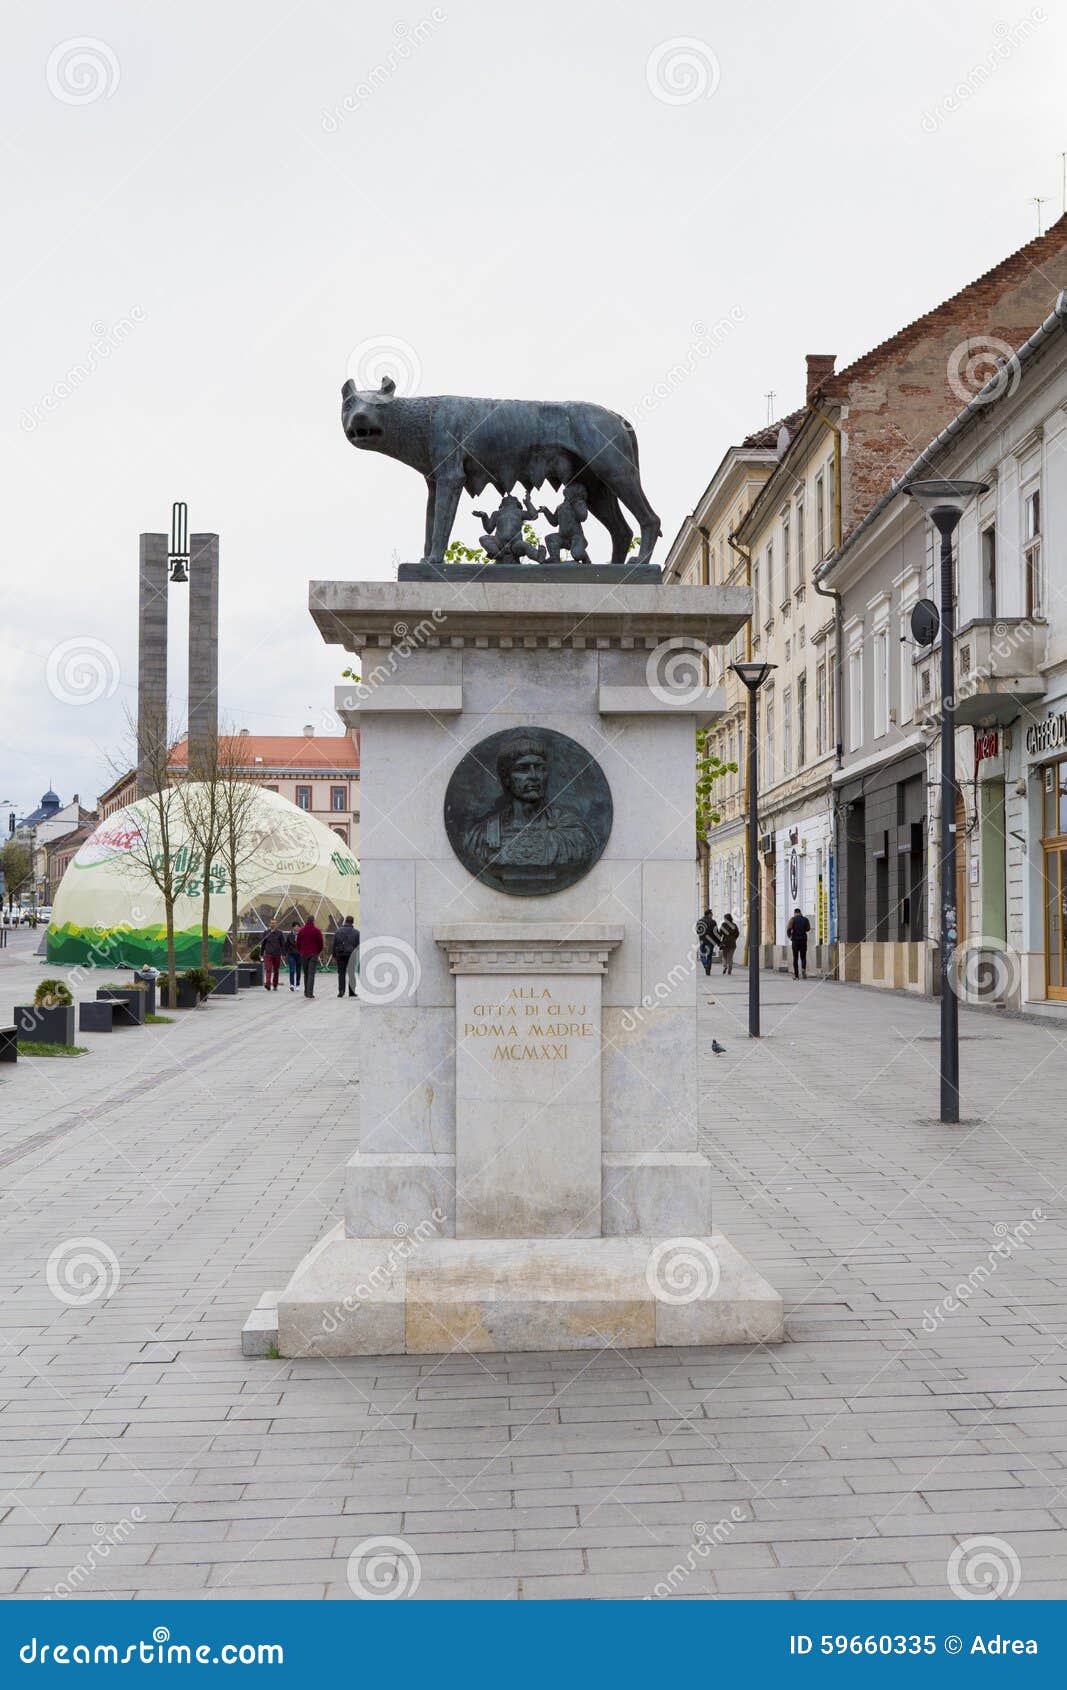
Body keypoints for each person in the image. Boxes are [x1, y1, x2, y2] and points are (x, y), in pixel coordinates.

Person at [332, 915, 360, 998]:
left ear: (345, 921)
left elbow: (334, 944)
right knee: (352, 973)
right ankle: (352, 992)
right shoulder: (356, 932)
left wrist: (334, 955)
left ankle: (341, 991)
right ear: (352, 922)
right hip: (352, 955)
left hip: (340, 954)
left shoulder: (338, 931)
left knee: (341, 973)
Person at [297, 915, 324, 997]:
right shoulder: (317, 931)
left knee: (306, 973)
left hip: (304, 954)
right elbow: (321, 943)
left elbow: (298, 943)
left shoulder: (301, 931)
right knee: (311, 973)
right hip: (313, 954)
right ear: (313, 921)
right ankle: (310, 992)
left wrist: (301, 951)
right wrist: (317, 952)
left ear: (306, 921)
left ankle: (306, 991)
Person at [787, 906, 811, 979]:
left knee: (795, 958)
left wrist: (790, 937)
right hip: (803, 940)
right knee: (803, 957)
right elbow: (808, 929)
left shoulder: (792, 919)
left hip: (795, 940)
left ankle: (796, 976)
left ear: (795, 913)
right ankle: (803, 969)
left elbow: (788, 929)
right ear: (800, 913)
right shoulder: (805, 919)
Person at [260, 922, 284, 991]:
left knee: (276, 970)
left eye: (274, 923)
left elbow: (282, 944)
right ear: (269, 924)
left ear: (276, 924)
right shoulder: (266, 933)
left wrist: (284, 953)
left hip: (277, 954)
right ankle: (268, 984)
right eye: (271, 923)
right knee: (268, 969)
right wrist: (261, 953)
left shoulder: (280, 933)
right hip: (268, 954)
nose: (273, 924)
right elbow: (263, 943)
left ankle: (275, 985)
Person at [695, 909, 719, 977]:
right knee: (709, 956)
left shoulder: (699, 921)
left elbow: (698, 931)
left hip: (702, 940)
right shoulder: (713, 922)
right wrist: (718, 942)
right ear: (709, 914)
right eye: (712, 914)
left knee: (702, 954)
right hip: (711, 942)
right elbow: (716, 933)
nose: (712, 915)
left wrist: (702, 936)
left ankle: (705, 965)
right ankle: (708, 969)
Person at [284, 924, 302, 991]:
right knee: (292, 970)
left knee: (298, 970)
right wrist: (285, 953)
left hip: (299, 955)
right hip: (291, 954)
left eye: (298, 926)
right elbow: (286, 945)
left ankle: (297, 984)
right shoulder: (289, 935)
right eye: (295, 926)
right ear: (293, 927)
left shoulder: (302, 935)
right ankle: (292, 984)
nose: (297, 928)